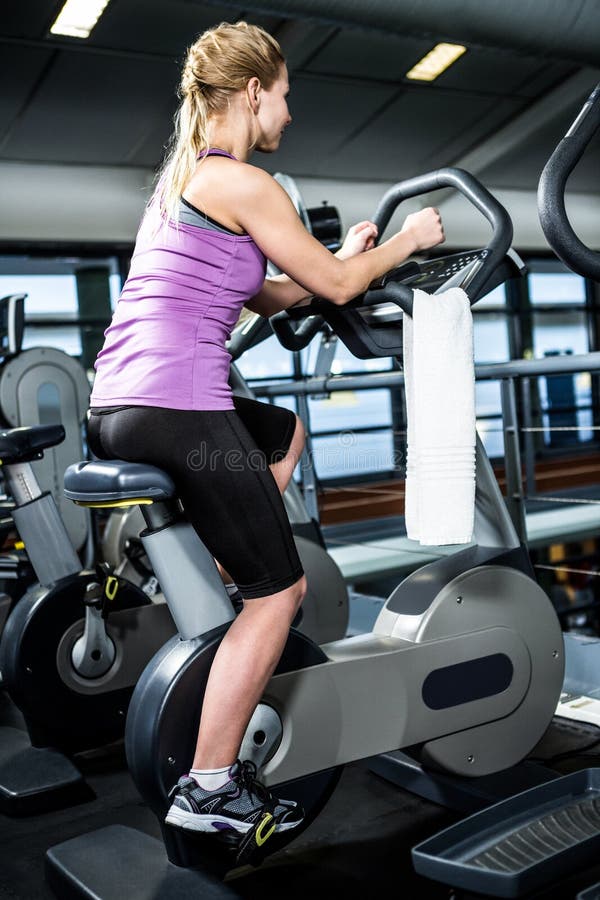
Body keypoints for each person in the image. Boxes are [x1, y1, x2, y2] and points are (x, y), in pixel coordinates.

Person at [87, 20, 444, 844]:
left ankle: (231, 550)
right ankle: (209, 786)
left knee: (281, 431)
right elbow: (345, 284)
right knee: (277, 593)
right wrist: (404, 244)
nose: (290, 110)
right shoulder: (246, 181)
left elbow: (281, 293)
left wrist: (346, 254)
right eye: (285, 95)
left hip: (122, 408)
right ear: (253, 92)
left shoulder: (188, 181)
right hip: (177, 408)